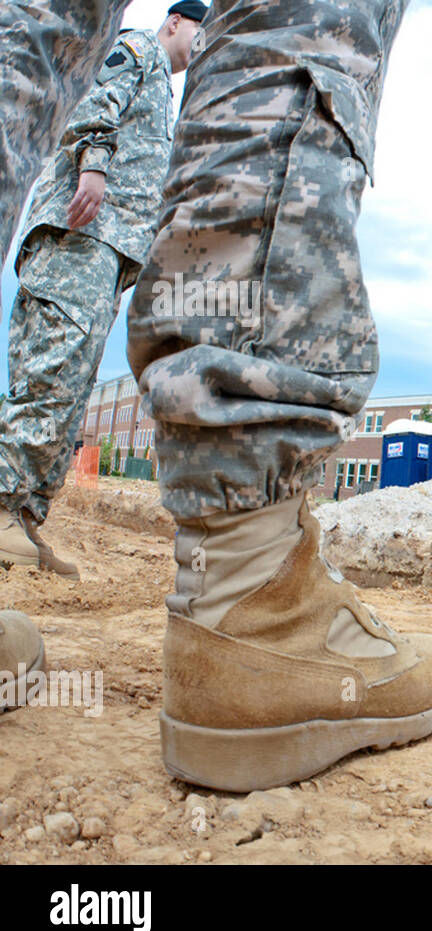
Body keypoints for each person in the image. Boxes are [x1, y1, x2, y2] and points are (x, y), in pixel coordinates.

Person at [0, 0, 432, 793]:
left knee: (33, 31)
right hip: (105, 230)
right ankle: (251, 605)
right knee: (297, 21)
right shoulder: (144, 61)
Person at [0, 2, 206, 579]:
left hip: (107, 254)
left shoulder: (166, 94)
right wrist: (93, 161)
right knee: (50, 370)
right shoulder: (138, 49)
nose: (202, 42)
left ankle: (21, 516)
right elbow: (97, 94)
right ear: (175, 22)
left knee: (70, 388)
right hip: (79, 233)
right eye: (200, 29)